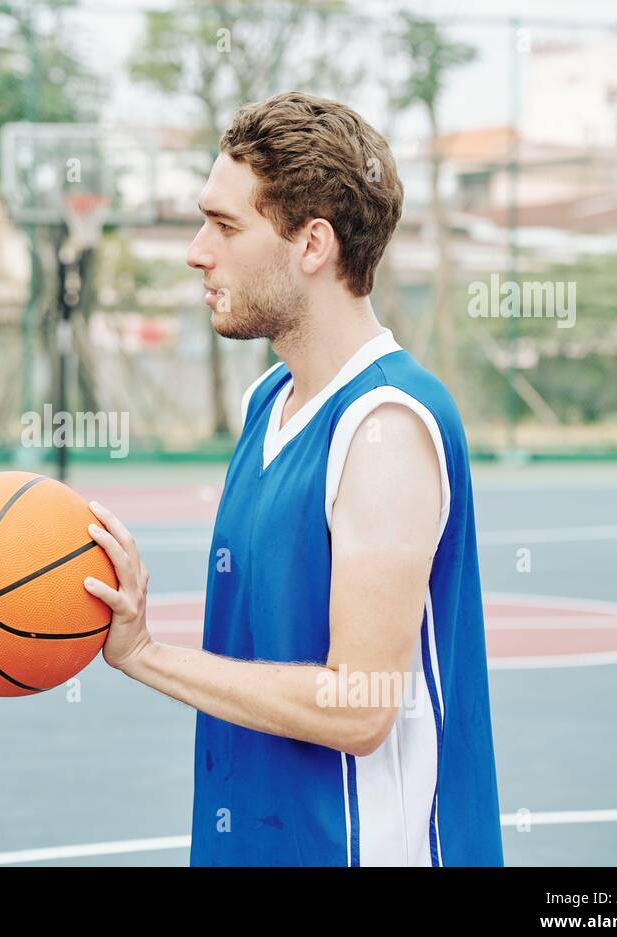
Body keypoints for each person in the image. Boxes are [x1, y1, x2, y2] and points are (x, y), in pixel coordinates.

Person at [84, 92, 503, 866]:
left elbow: (359, 709)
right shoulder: (267, 401)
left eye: (225, 225)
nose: (197, 252)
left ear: (312, 244)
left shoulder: (382, 425)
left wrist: (145, 654)